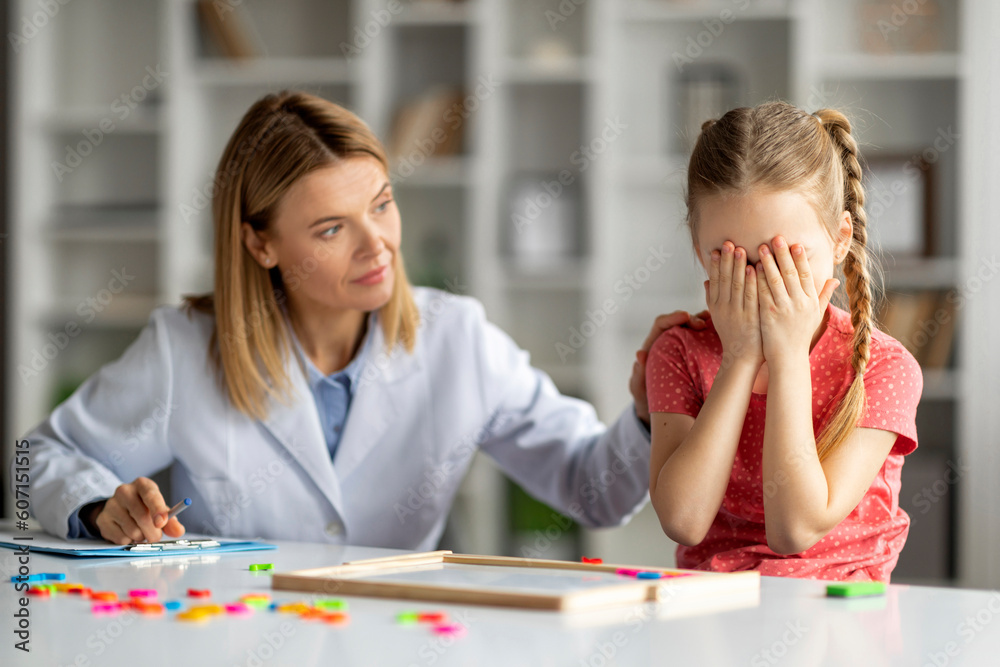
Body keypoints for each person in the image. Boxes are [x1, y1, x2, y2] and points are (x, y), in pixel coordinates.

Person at [23, 91, 701, 549]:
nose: (377, 245)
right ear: (260, 244)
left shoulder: (457, 339)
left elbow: (593, 488)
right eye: (331, 228)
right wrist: (98, 507)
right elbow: (39, 458)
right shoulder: (184, 350)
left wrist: (647, 414)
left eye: (381, 204)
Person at [646, 102, 922, 581]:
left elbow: (794, 530)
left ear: (840, 240)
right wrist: (738, 358)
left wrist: (789, 356)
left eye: (786, 260)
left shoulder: (882, 367)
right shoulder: (679, 352)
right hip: (717, 602)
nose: (762, 284)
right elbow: (683, 522)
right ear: (699, 250)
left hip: (839, 604)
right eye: (734, 261)